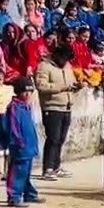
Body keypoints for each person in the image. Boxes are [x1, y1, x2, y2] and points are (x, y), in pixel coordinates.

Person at [34, 44, 78, 181]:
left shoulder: (67, 66)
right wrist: (62, 87)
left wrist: (76, 87)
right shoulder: (44, 66)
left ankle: (56, 166)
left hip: (66, 105)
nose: (65, 61)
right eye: (64, 58)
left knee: (61, 139)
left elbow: (71, 82)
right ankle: (47, 168)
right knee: (52, 138)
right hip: (52, 106)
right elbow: (41, 86)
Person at [4, 77, 42, 208]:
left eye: (30, 92)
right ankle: (14, 196)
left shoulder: (26, 106)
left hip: (29, 144)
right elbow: (14, 126)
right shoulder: (14, 107)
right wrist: (19, 141)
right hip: (20, 144)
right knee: (18, 171)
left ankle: (29, 194)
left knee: (26, 171)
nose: (28, 94)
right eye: (25, 92)